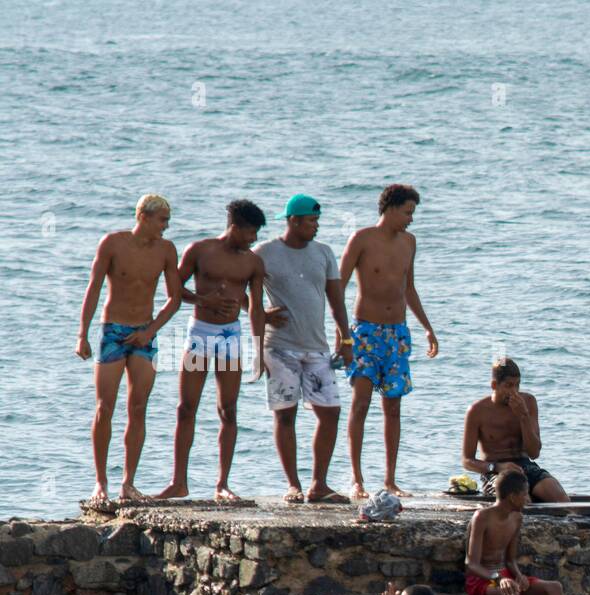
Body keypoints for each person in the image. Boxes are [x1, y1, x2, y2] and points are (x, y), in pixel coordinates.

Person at [76, 194, 183, 506]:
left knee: (138, 408)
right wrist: (82, 333)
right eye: (162, 220)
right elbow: (93, 288)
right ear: (144, 217)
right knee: (104, 407)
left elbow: (174, 298)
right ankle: (100, 483)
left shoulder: (166, 250)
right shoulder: (112, 244)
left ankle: (128, 483)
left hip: (144, 333)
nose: (166, 226)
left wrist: (149, 331)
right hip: (113, 331)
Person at [158, 200, 267, 501]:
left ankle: (222, 484)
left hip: (231, 337)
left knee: (228, 410)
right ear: (235, 226)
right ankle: (178, 482)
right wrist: (205, 301)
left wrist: (259, 349)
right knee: (185, 408)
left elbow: (256, 307)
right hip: (200, 334)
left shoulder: (253, 262)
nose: (254, 239)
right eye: (250, 232)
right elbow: (173, 289)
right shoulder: (200, 250)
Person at [337, 184, 439, 501]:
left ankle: (390, 480)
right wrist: (342, 336)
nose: (411, 219)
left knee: (393, 407)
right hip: (365, 332)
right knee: (361, 404)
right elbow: (337, 287)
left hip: (398, 333)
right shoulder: (362, 239)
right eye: (408, 212)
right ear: (391, 208)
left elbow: (410, 289)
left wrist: (427, 328)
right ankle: (356, 479)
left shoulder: (410, 242)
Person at [253, 194, 352, 503]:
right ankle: (293, 485)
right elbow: (238, 286)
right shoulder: (265, 253)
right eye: (311, 221)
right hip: (280, 347)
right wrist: (256, 312)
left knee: (330, 412)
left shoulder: (323, 253)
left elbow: (337, 300)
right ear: (293, 220)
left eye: (317, 221)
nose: (316, 226)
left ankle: (318, 484)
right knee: (285, 415)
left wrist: (346, 338)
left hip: (317, 347)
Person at [461, 357, 570, 502]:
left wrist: (523, 416)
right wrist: (497, 467)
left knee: (561, 499)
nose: (514, 391)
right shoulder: (477, 411)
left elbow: (534, 453)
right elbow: (467, 461)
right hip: (495, 471)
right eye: (509, 385)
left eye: (517, 385)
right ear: (494, 385)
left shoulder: (528, 402)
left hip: (526, 466)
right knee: (521, 500)